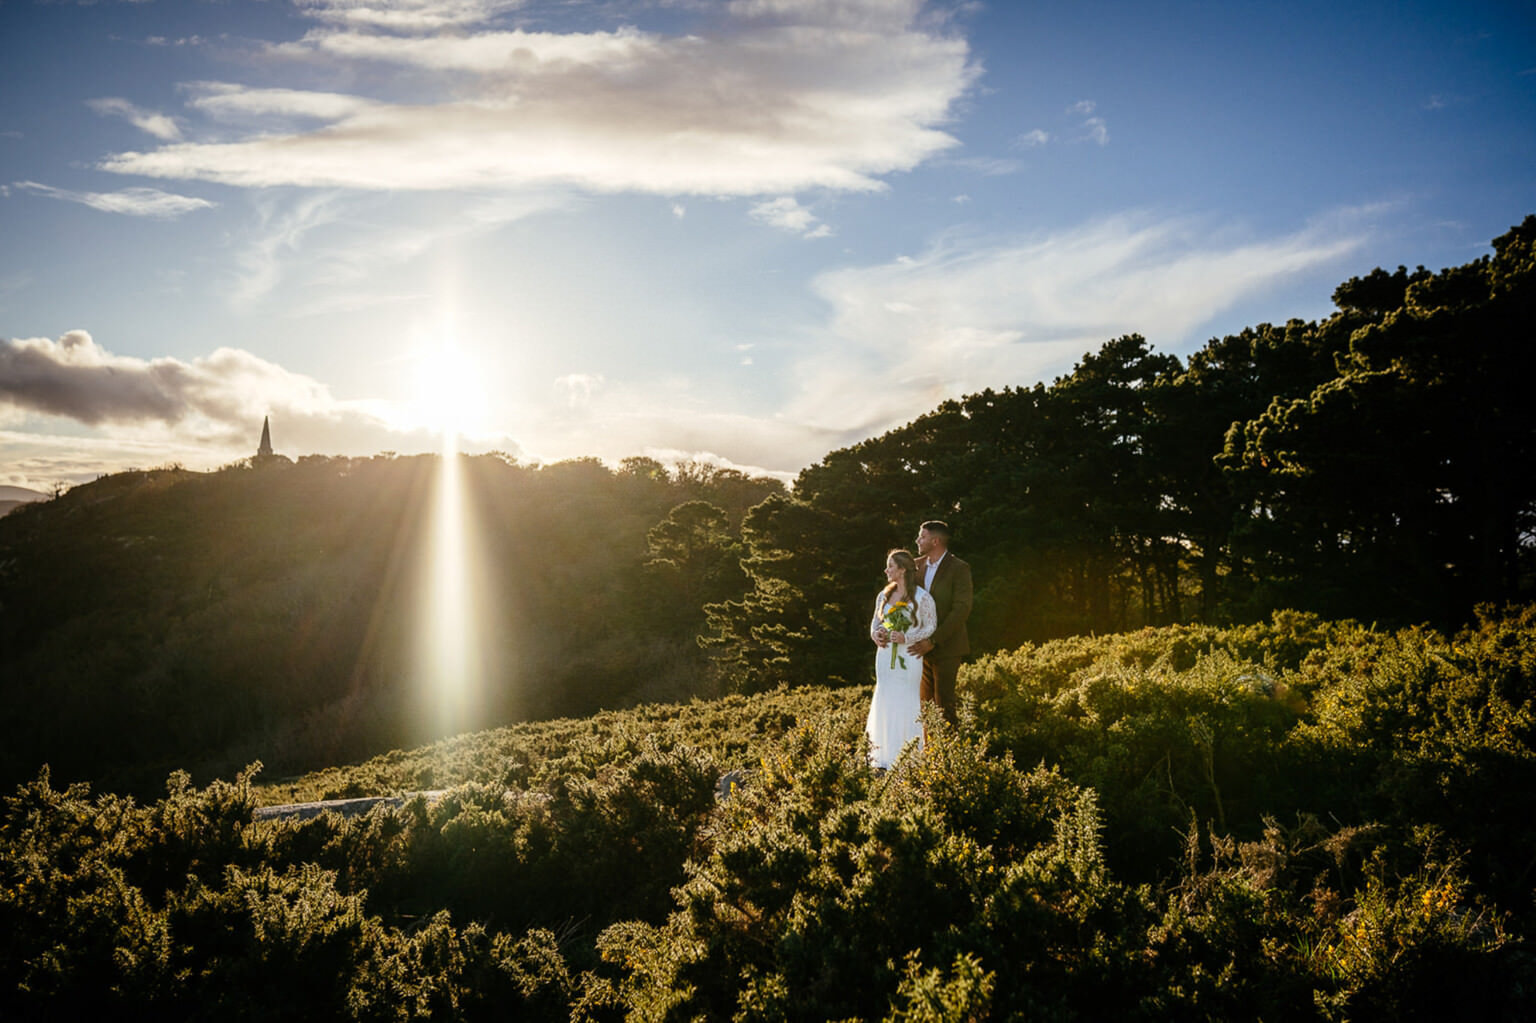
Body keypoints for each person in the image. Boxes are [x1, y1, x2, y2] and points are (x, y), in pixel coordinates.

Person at [866, 549, 936, 769]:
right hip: (885, 656)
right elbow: (875, 624)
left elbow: (931, 625)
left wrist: (907, 637)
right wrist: (876, 635)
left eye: (891, 566)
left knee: (906, 699)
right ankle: (882, 757)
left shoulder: (922, 597)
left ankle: (908, 756)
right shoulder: (883, 595)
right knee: (885, 697)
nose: (886, 570)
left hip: (909, 656)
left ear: (903, 569)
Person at [905, 520, 972, 726]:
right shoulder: (915, 566)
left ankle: (950, 753)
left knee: (944, 705)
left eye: (922, 536)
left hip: (947, 646)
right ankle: (929, 753)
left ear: (935, 541)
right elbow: (901, 600)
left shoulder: (959, 568)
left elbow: (961, 609)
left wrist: (934, 639)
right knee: (924, 707)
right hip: (919, 650)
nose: (918, 540)